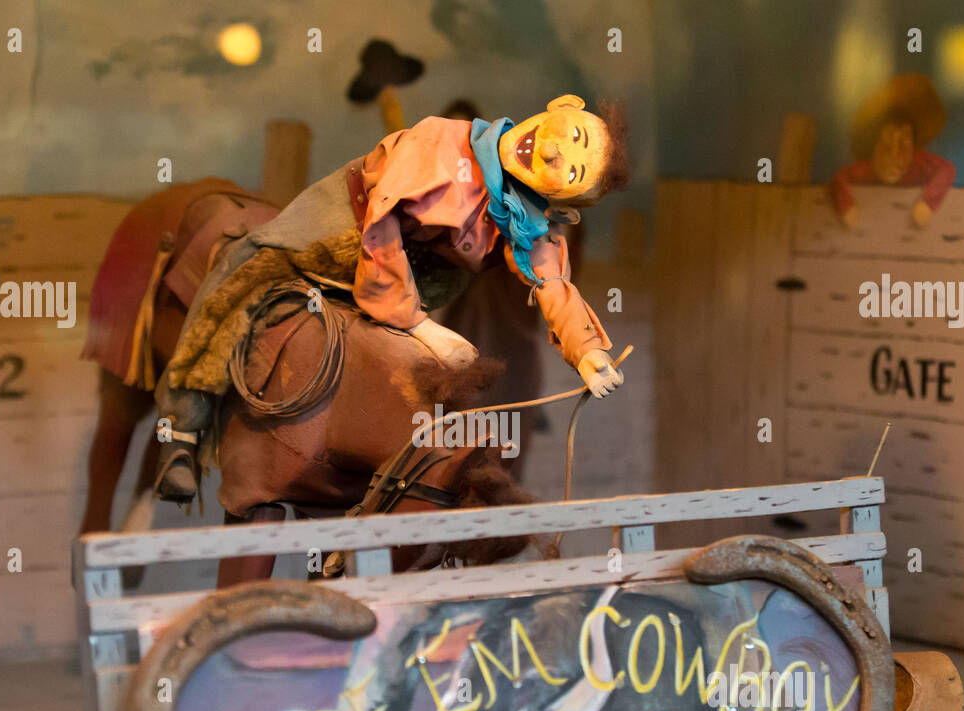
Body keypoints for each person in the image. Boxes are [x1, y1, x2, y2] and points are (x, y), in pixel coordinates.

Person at [154, 94, 630, 501]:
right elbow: (380, 229)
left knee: (412, 376)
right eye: (572, 138)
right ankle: (182, 425)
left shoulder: (527, 216)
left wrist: (587, 352)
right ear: (561, 107)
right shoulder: (438, 144)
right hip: (348, 224)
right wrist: (420, 325)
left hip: (422, 276)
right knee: (245, 265)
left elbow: (552, 282)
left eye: (571, 172)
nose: (552, 154)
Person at [830, 74, 955, 229]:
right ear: (874, 147)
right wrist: (846, 206)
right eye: (887, 145)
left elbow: (947, 169)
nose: (895, 156)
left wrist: (928, 202)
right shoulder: (865, 169)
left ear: (913, 147)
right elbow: (839, 178)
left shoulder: (920, 162)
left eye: (903, 145)